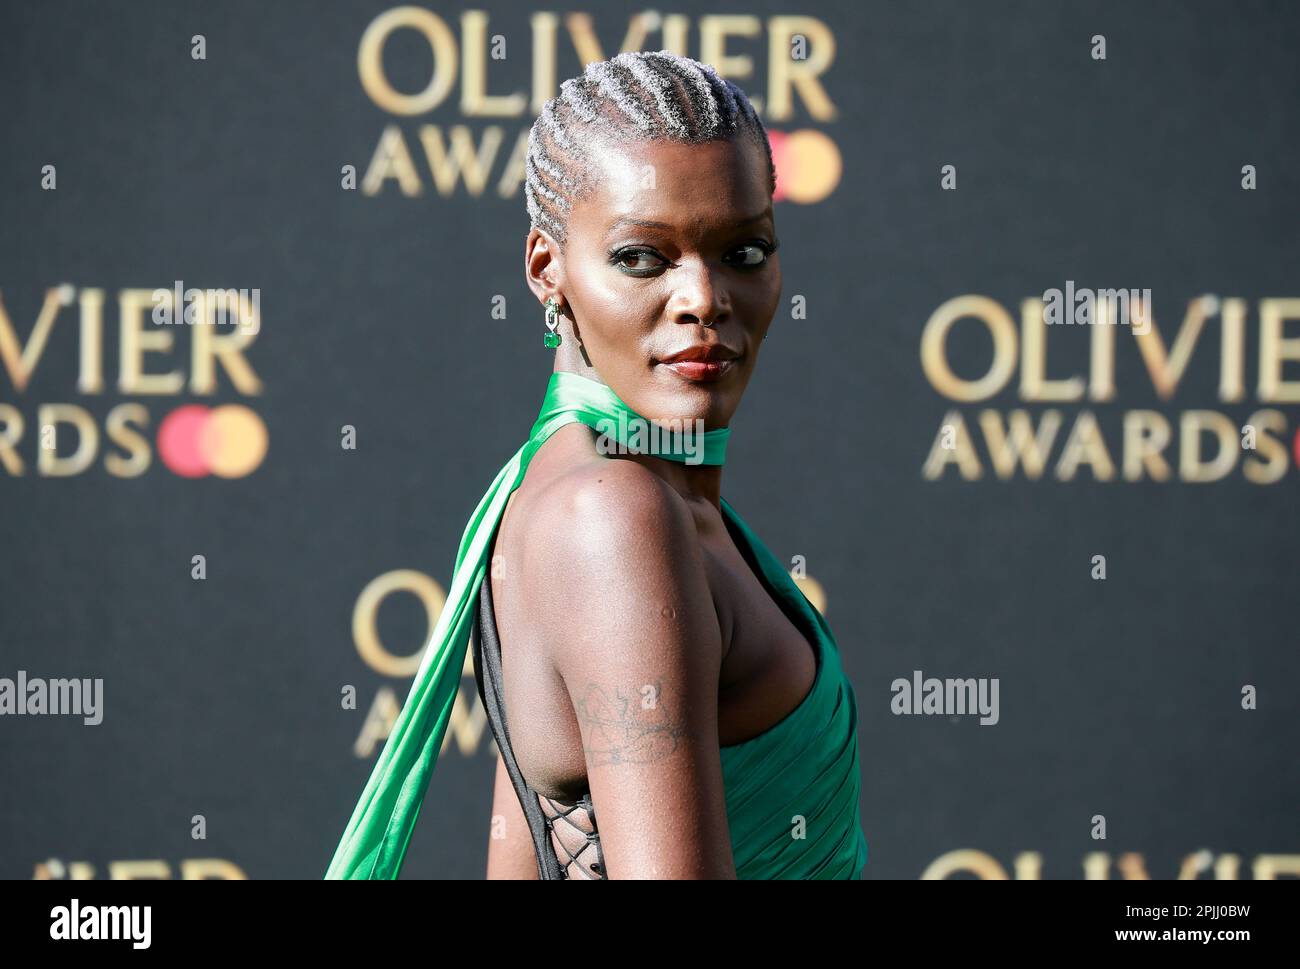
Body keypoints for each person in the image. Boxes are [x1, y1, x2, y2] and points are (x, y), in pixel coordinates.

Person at [326, 49, 869, 881]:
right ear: (548, 270)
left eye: (746, 252)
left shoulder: (590, 494)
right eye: (642, 258)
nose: (703, 298)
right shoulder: (612, 517)